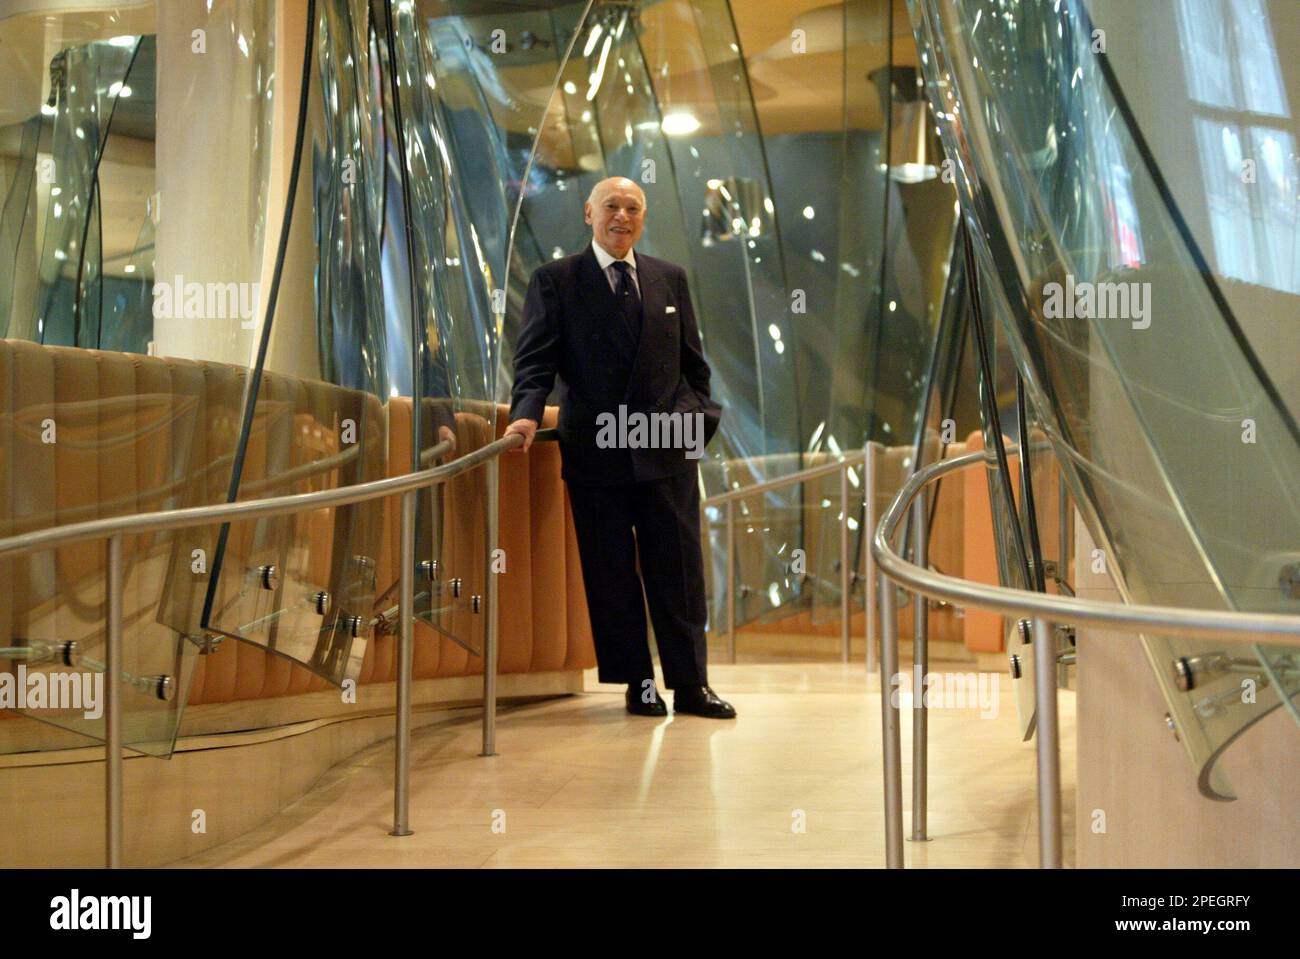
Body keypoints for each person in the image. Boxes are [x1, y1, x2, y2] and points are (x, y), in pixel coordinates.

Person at [505, 176, 735, 719]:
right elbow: (535, 364)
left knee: (679, 573)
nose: (622, 216)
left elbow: (693, 369)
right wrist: (524, 418)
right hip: (597, 452)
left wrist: (695, 421)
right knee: (611, 576)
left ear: (642, 218)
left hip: (666, 449)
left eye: (633, 208)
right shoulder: (556, 281)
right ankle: (639, 684)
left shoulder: (669, 278)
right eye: (612, 205)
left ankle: (692, 685)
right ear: (589, 213)